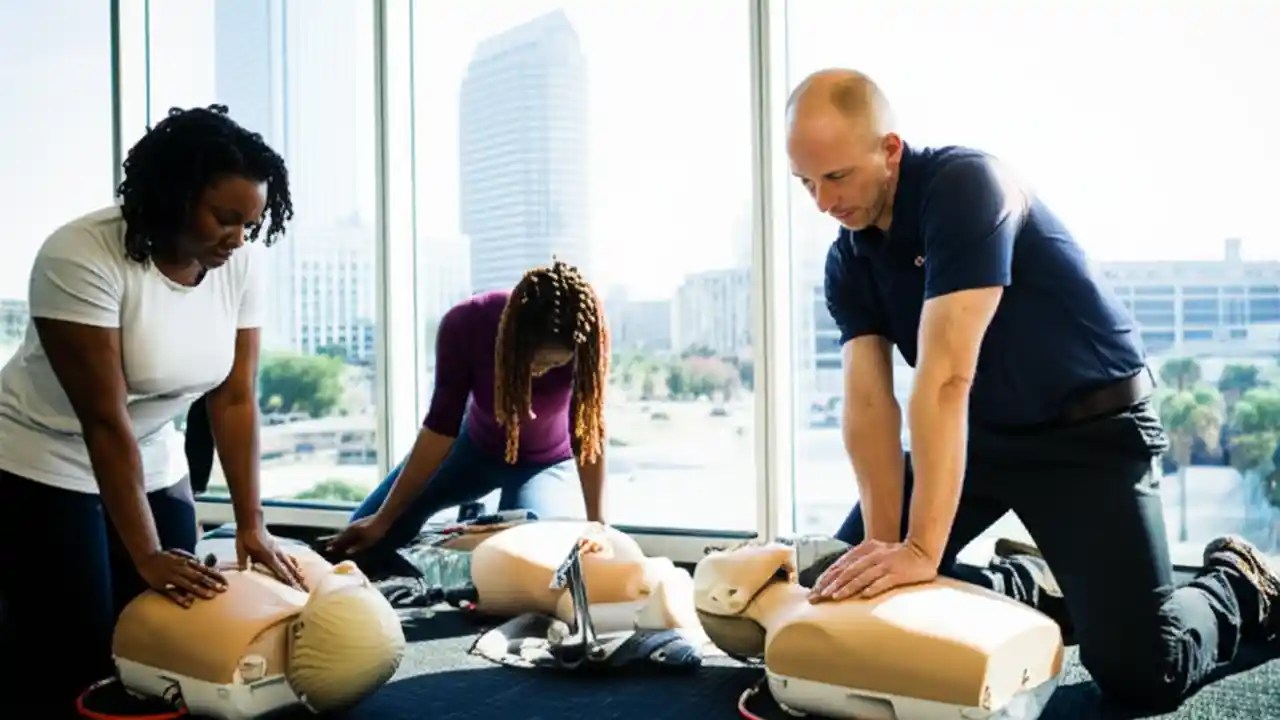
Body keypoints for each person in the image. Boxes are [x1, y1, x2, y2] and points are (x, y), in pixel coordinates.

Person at [786, 68, 1279, 713]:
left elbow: (944, 378)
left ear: (890, 150)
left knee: (1141, 674)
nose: (823, 202)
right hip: (983, 440)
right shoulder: (848, 258)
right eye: (806, 184)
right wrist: (886, 551)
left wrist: (918, 551)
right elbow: (870, 408)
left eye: (838, 177)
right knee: (849, 581)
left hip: (1090, 433)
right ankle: (1036, 583)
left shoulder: (965, 187)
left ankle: (1240, 586)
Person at [0, 104, 306, 714]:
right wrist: (143, 552)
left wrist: (252, 524)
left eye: (252, 221)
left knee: (169, 635)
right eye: (225, 218)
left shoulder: (239, 262)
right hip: (43, 456)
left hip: (154, 454)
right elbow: (104, 420)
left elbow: (236, 397)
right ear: (173, 196)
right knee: (80, 648)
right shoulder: (79, 255)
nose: (239, 237)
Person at [324, 259, 610, 558]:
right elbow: (440, 427)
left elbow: (588, 432)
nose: (537, 371)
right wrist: (383, 520)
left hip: (545, 464)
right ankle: (469, 522)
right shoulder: (466, 323)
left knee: (525, 558)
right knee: (361, 536)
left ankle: (479, 526)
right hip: (472, 451)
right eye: (530, 360)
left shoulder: (586, 336)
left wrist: (598, 523)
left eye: (553, 364)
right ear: (508, 337)